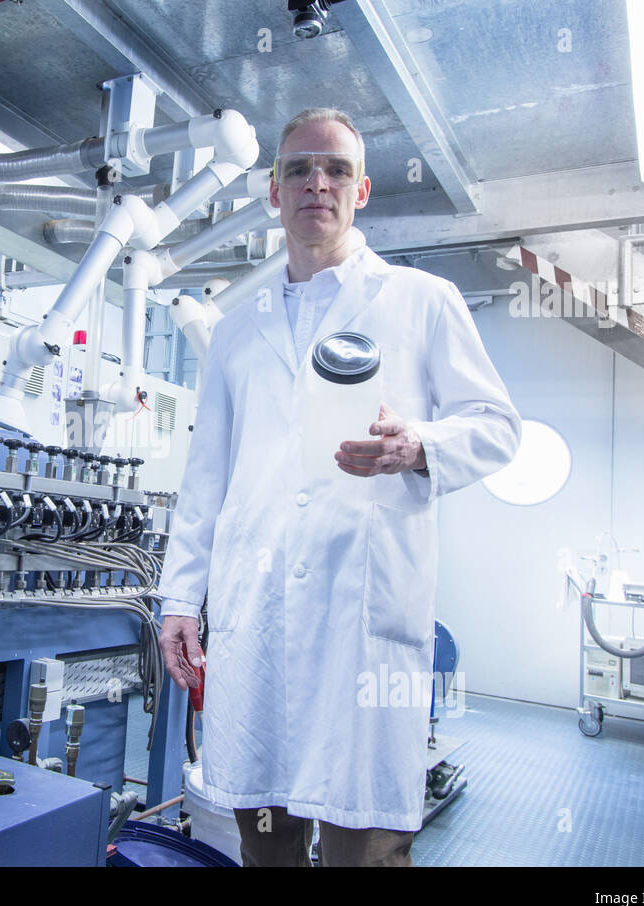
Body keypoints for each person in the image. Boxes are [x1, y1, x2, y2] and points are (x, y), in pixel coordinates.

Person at [155, 107, 522, 867]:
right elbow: (206, 481)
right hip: (255, 615)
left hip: (363, 616)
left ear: (360, 193)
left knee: (366, 845)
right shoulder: (233, 331)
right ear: (273, 191)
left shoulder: (422, 301)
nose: (316, 182)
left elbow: (497, 426)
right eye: (298, 168)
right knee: (267, 837)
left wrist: (420, 445)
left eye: (336, 170)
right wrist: (180, 600)